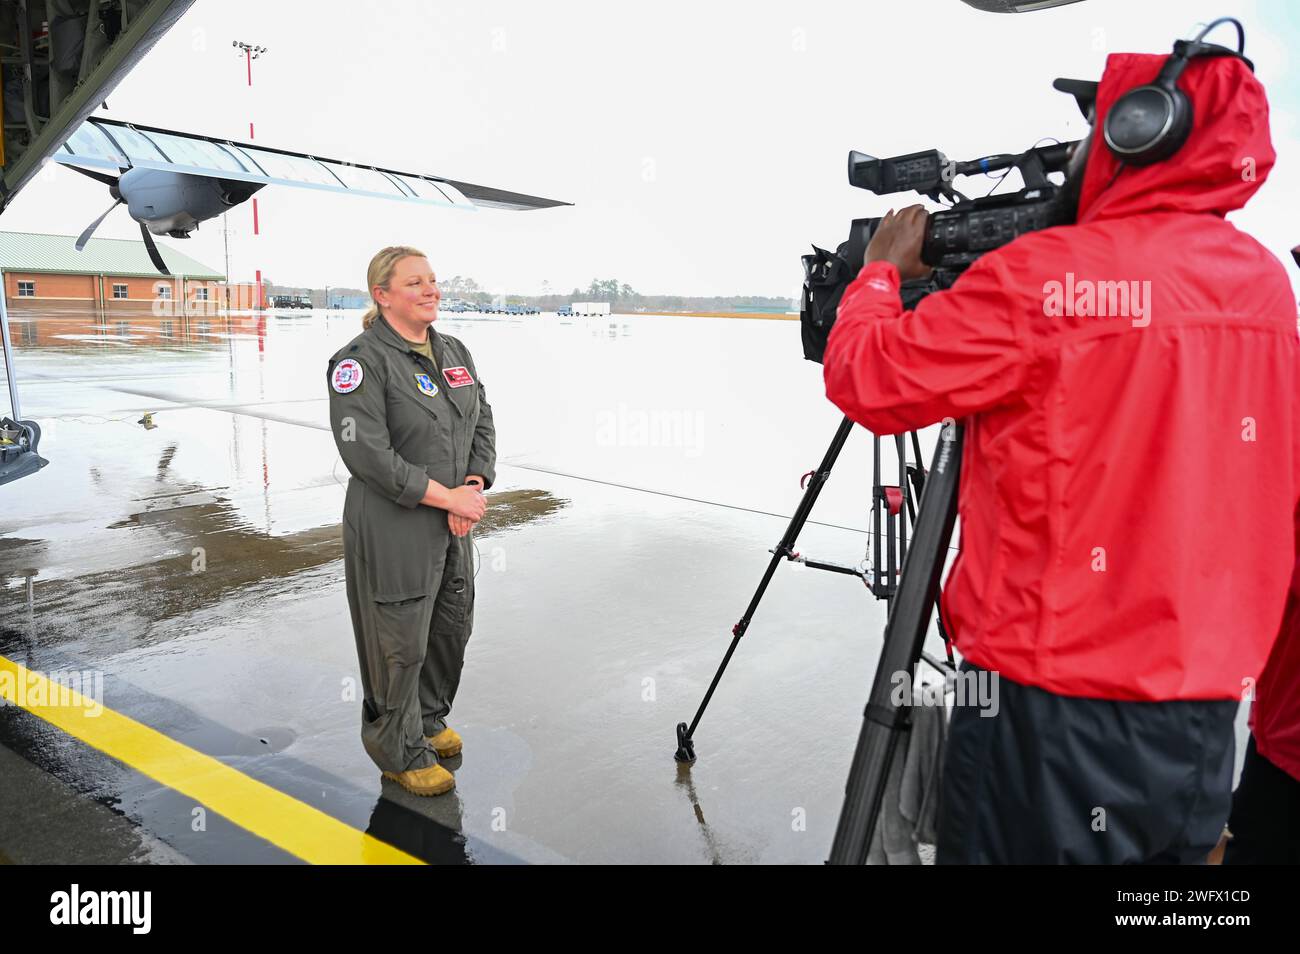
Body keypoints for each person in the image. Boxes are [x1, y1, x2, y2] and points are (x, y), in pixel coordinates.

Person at [823, 46, 1299, 862]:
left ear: (1138, 130)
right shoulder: (1263, 286)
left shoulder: (1047, 279)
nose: (1079, 155)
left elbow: (869, 380)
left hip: (1047, 714)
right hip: (1201, 715)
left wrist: (876, 281)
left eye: (1092, 131)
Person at [327, 245, 496, 796]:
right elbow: (368, 455)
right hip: (393, 521)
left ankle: (426, 720)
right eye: (415, 283)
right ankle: (397, 751)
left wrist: (473, 485)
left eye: (433, 281)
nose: (431, 291)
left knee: (450, 624)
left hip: (453, 518)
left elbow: (482, 418)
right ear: (383, 295)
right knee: (398, 638)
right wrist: (447, 499)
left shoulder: (454, 351)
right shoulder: (360, 362)